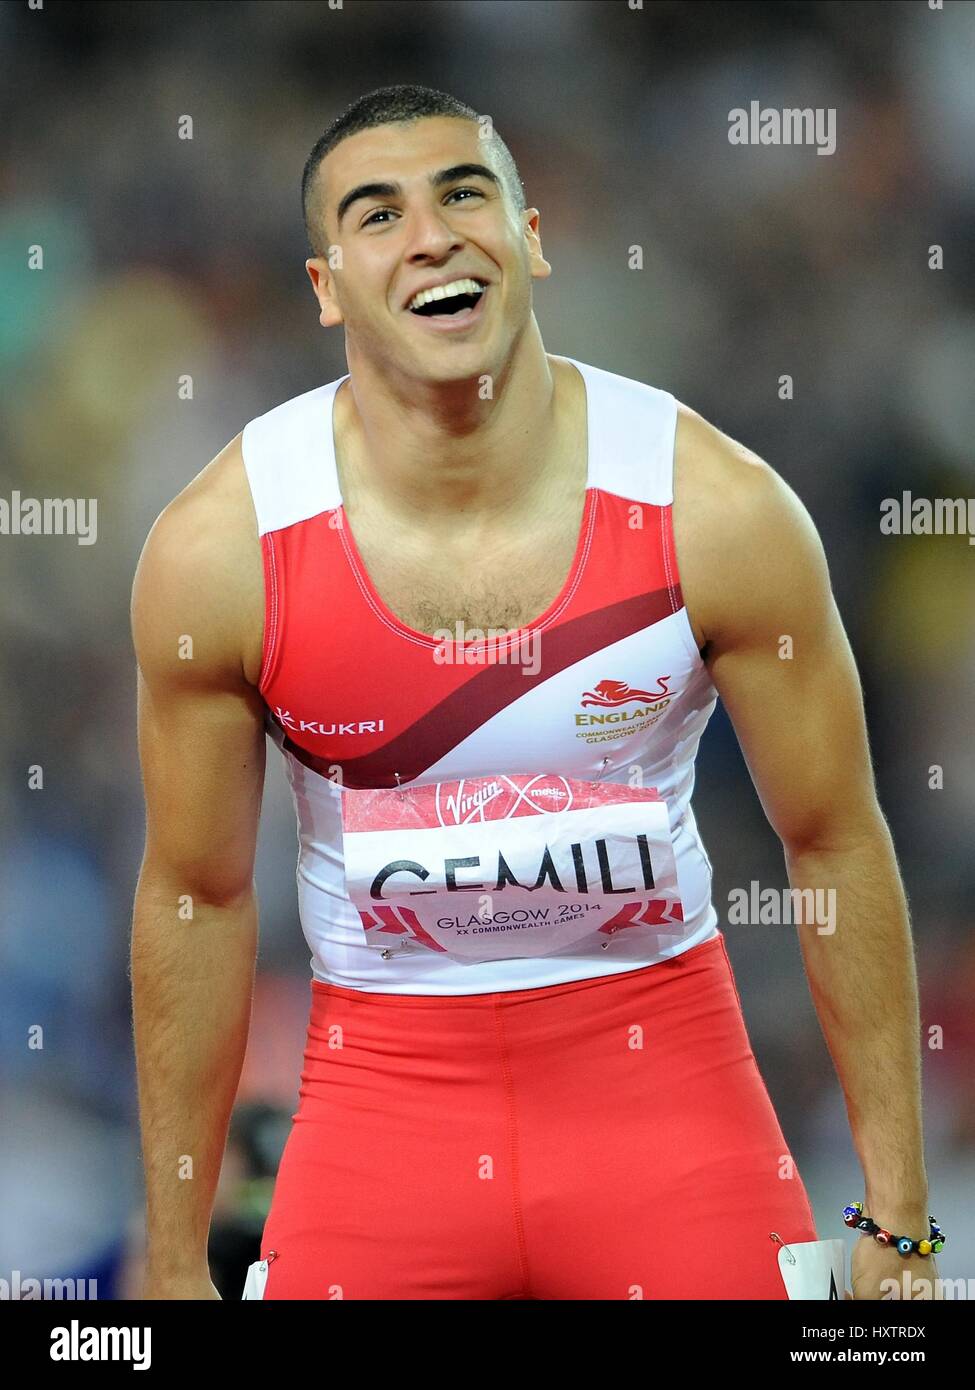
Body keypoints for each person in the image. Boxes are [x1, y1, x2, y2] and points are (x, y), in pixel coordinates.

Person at [131, 85, 937, 1300]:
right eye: (378, 213)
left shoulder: (719, 512)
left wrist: (900, 1224)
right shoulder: (222, 547)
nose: (432, 236)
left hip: (669, 1103)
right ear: (325, 287)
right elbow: (197, 895)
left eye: (465, 194)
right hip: (382, 1123)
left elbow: (831, 844)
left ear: (533, 236)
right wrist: (179, 1259)